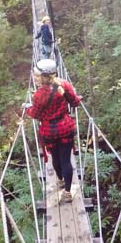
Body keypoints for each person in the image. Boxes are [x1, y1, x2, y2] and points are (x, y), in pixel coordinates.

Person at [25, 59, 82, 203]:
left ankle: (61, 180)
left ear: (44, 77)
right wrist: (72, 96)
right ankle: (68, 192)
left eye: (37, 75)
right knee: (66, 160)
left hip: (49, 132)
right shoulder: (64, 84)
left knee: (55, 158)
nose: (34, 77)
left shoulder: (38, 95)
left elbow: (36, 114)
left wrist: (27, 109)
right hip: (65, 128)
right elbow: (74, 102)